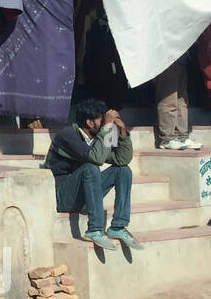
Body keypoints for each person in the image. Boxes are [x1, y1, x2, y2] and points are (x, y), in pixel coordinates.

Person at [45, 96, 141, 251]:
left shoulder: (98, 136)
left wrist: (123, 133)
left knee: (123, 170)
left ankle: (118, 226)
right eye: (102, 120)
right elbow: (96, 158)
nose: (105, 123)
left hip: (85, 194)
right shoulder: (67, 135)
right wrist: (107, 127)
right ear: (89, 123)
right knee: (91, 167)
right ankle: (95, 229)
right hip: (63, 195)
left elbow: (121, 159)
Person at [154, 56, 201, 150]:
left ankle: (182, 137)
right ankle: (167, 139)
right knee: (168, 99)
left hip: (181, 60)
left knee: (181, 102)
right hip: (166, 59)